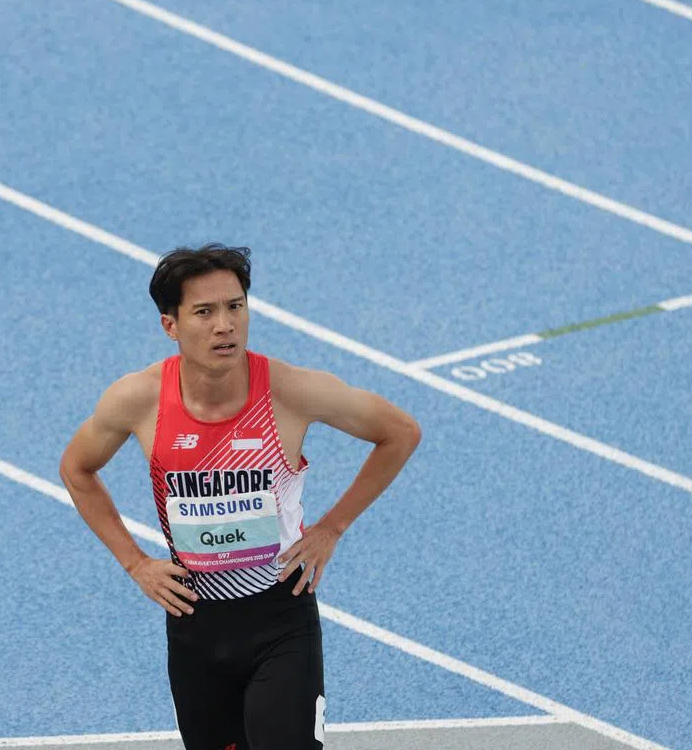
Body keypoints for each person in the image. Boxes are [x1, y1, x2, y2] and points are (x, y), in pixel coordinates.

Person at [59, 244, 421, 750]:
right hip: (194, 628)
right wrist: (136, 564)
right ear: (171, 325)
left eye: (235, 306)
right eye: (204, 312)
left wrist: (331, 527)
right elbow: (77, 469)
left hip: (280, 619)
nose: (224, 325)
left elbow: (399, 432)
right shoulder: (138, 400)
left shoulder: (290, 391)